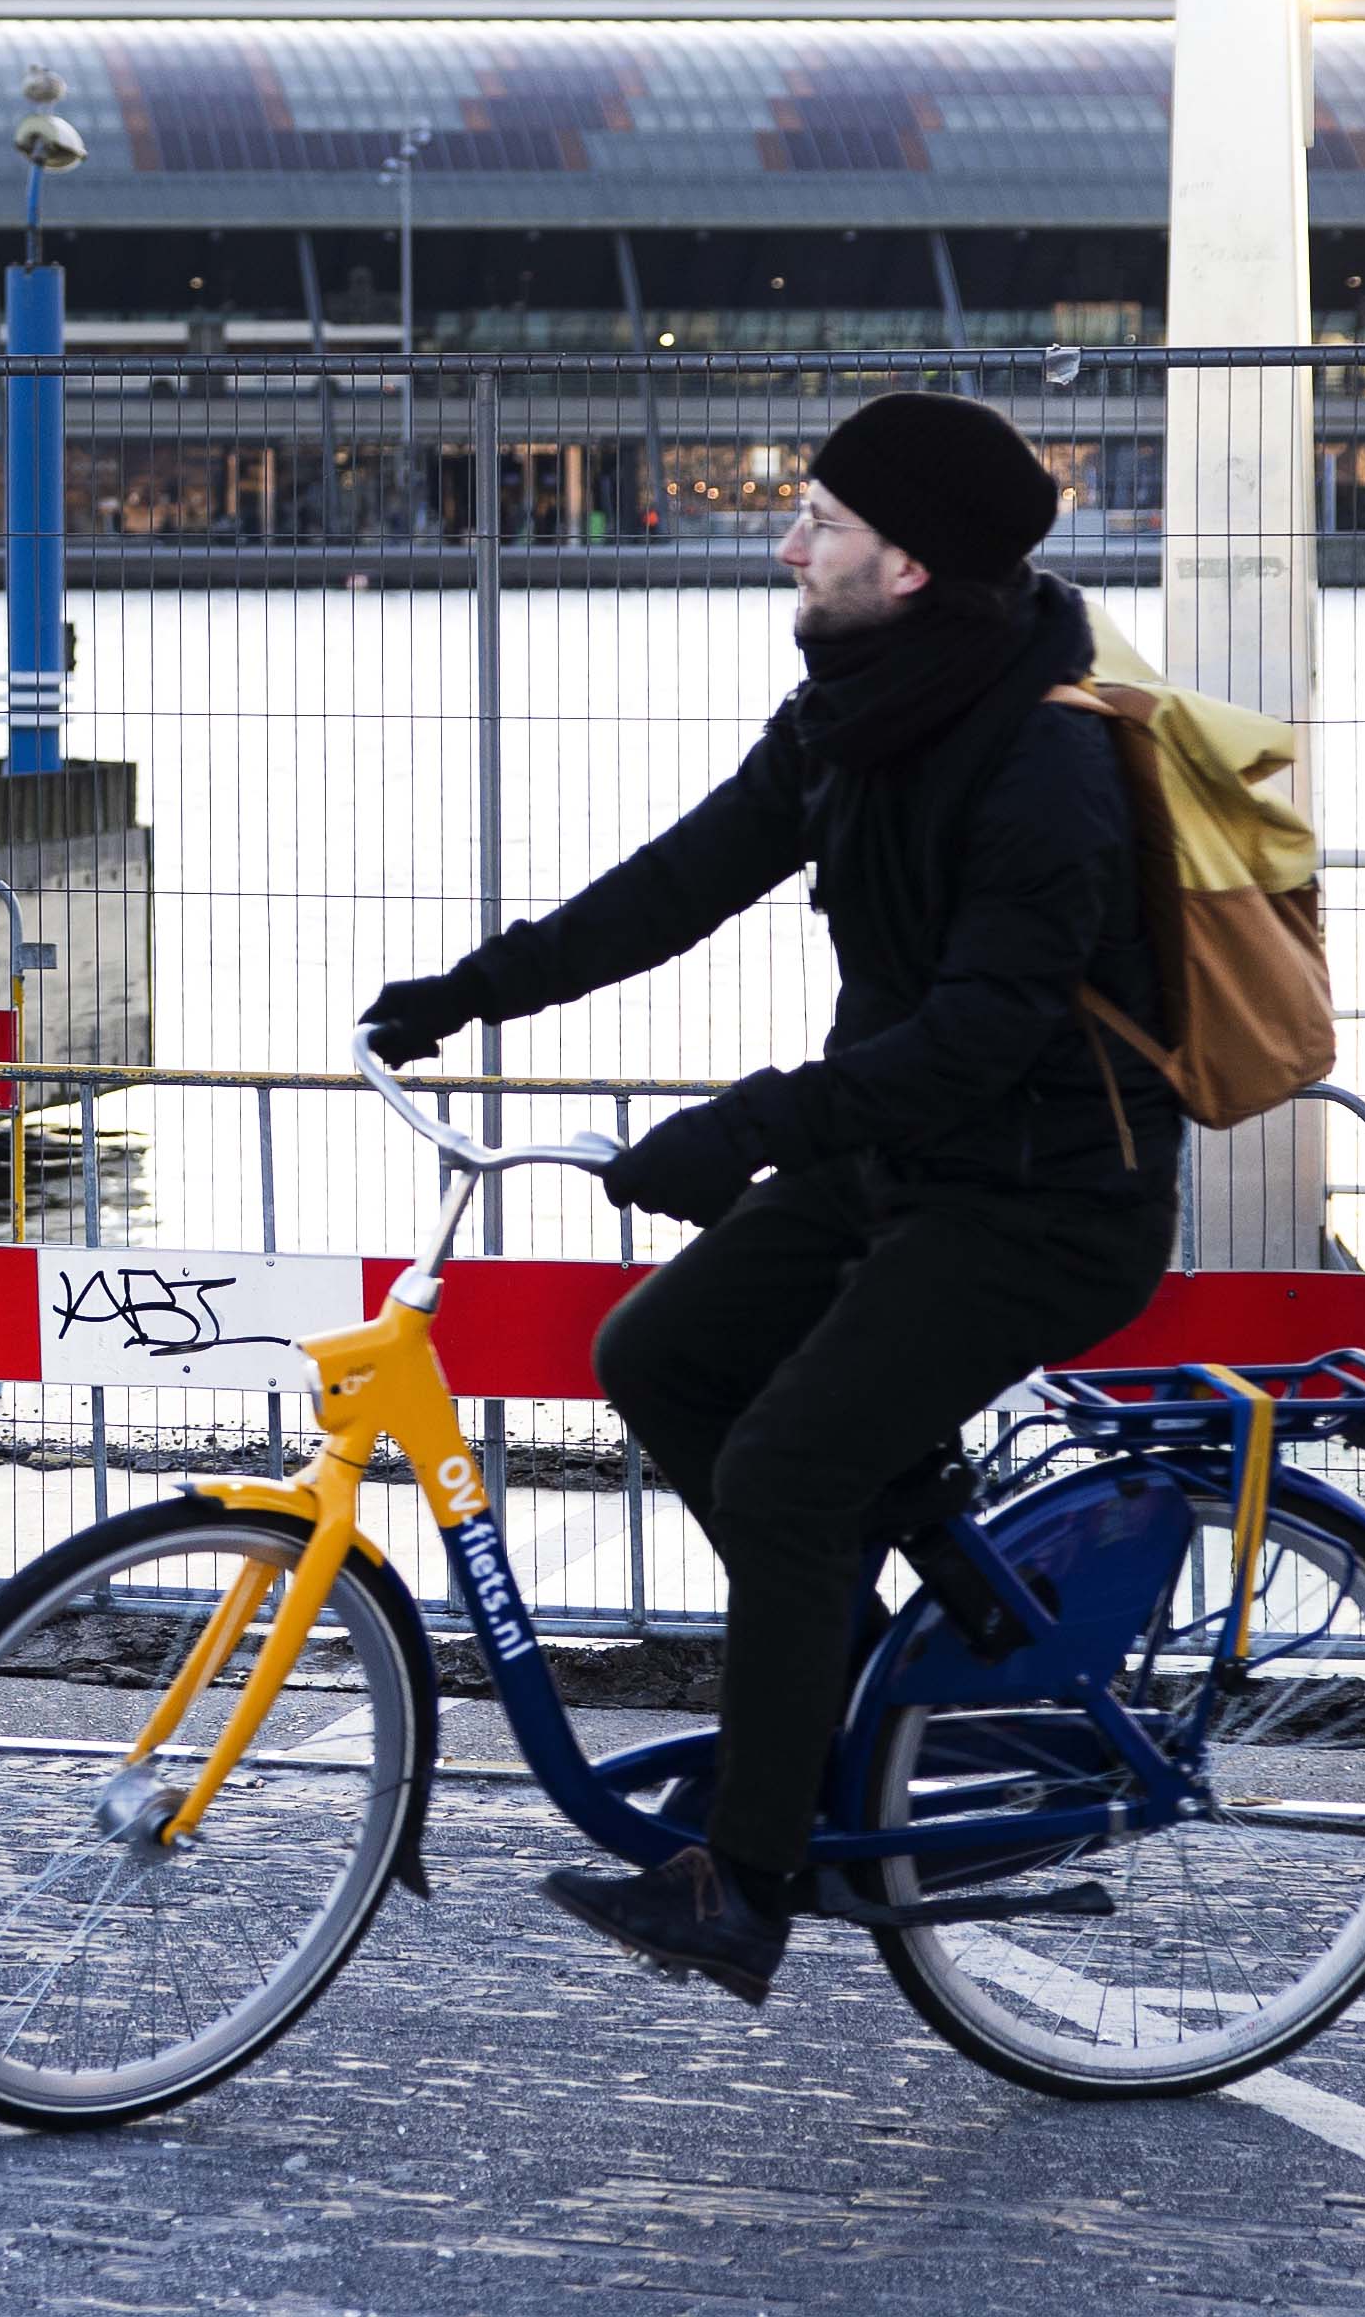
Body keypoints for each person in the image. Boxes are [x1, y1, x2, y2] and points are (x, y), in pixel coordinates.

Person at [357, 391, 1183, 2005]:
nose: (785, 543)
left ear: (916, 567)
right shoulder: (856, 707)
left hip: (1046, 1202)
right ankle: (864, 1689)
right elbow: (683, 880)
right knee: (657, 1357)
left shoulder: (1047, 756)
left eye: (821, 524)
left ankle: (744, 1888)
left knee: (799, 1472)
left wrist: (740, 1128)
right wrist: (470, 992)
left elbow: (982, 1037)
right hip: (896, 1158)